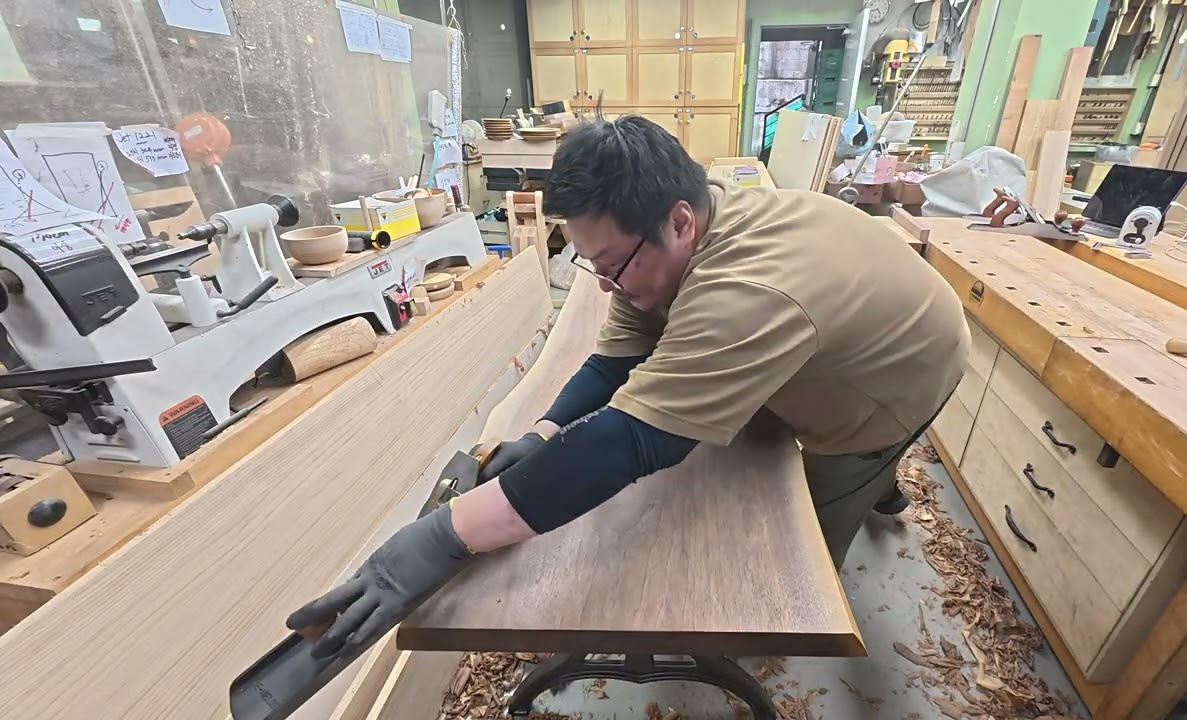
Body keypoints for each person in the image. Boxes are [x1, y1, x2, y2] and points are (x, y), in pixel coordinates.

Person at [286, 116, 970, 659]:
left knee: (807, 535)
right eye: (594, 266)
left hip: (902, 372)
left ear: (679, 221)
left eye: (614, 265)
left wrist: (442, 538)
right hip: (847, 315)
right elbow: (616, 362)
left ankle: (874, 483)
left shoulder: (743, 292)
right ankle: (882, 480)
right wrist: (542, 432)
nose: (608, 284)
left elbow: (634, 441)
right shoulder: (671, 236)